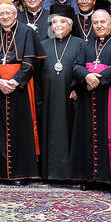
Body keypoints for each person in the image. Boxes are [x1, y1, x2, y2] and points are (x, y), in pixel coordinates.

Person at [0, 0, 42, 183]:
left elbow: (30, 61)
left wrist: (14, 81)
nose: (5, 17)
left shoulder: (27, 32)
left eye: (9, 14)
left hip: (20, 87)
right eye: (1, 14)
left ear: (15, 15)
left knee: (21, 130)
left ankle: (20, 174)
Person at [67, 8, 111, 188]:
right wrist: (87, 76)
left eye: (103, 22)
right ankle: (88, 177)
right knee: (87, 135)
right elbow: (76, 65)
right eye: (95, 23)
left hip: (109, 95)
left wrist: (97, 80)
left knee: (109, 136)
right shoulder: (85, 44)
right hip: (88, 95)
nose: (99, 25)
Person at [39, 13, 83, 182]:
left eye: (63, 22)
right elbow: (36, 72)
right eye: (54, 22)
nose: (58, 25)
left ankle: (70, 175)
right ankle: (47, 173)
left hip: (70, 98)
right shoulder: (43, 45)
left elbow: (83, 68)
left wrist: (77, 88)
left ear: (70, 26)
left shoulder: (80, 44)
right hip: (48, 98)